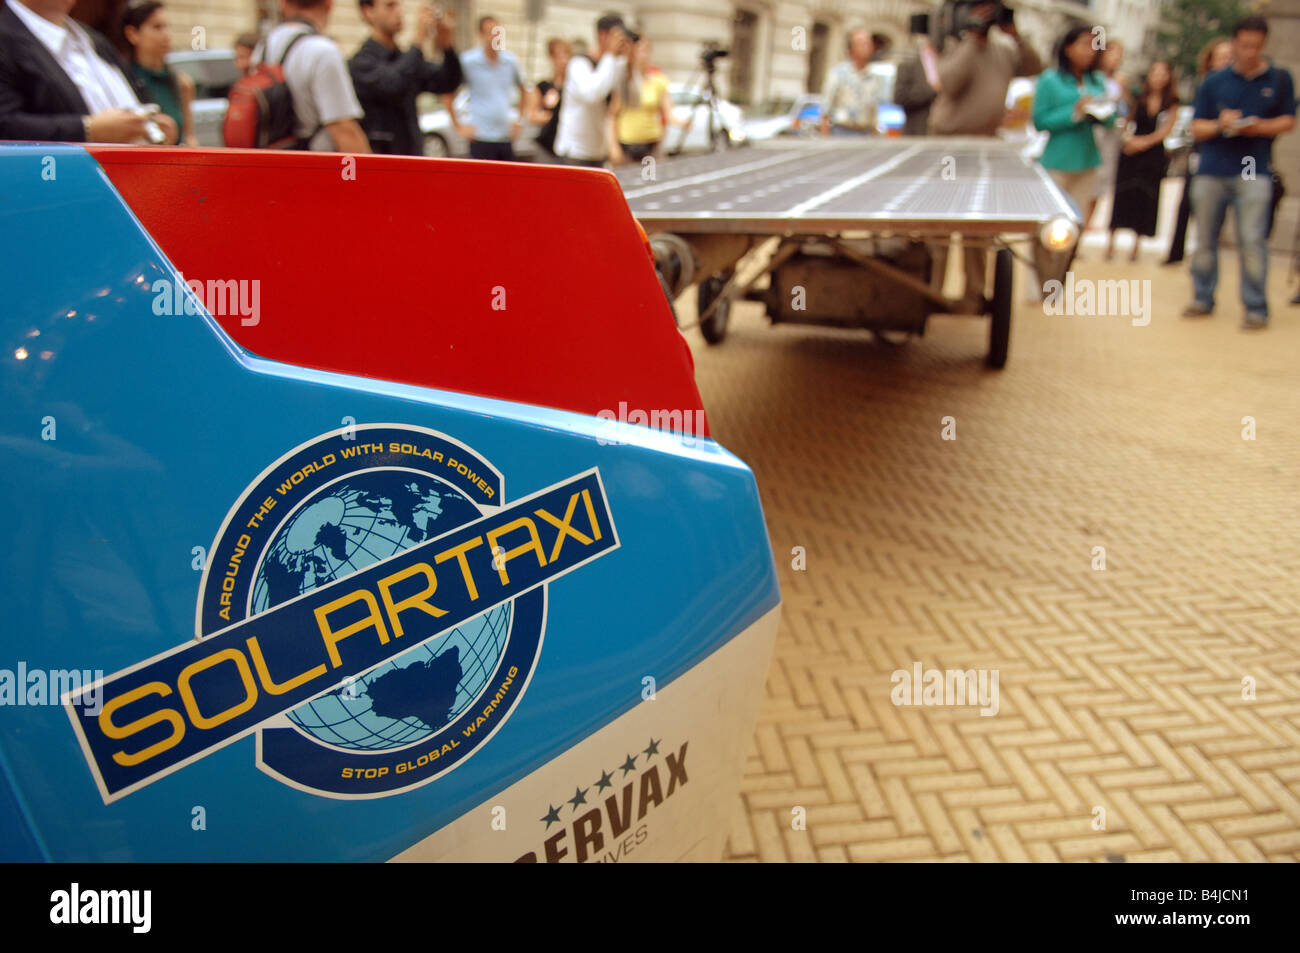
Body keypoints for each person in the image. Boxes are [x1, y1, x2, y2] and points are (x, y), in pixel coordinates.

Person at [1184, 16, 1296, 329]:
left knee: (1252, 239)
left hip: (1252, 167)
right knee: (1205, 237)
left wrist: (1258, 126)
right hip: (1213, 167)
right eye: (1244, 45)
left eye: (1256, 46)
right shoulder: (1214, 81)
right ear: (1234, 43)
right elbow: (1196, 126)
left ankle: (1256, 307)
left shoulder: (1279, 78)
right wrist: (1221, 124)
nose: (1249, 52)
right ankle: (1202, 297)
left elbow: (1289, 120)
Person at [927, 4, 1042, 309]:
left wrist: (1016, 35)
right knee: (937, 224)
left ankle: (973, 293)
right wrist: (973, 40)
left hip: (985, 147)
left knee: (976, 225)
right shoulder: (954, 46)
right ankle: (930, 292)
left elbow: (1035, 67)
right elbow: (949, 83)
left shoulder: (1005, 51)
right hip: (948, 146)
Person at [0, 0, 179, 143]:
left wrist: (154, 124)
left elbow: (137, 95)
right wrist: (86, 130)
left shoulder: (92, 38)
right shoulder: (7, 38)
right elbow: (6, 124)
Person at [1032, 25, 1113, 284]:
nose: (1089, 51)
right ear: (1068, 48)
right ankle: (1039, 281)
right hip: (1057, 162)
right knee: (1048, 226)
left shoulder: (1097, 81)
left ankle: (1058, 282)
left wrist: (1105, 113)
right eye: (1083, 44)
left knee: (1075, 228)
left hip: (1087, 162)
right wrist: (1074, 113)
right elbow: (1040, 120)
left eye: (1093, 45)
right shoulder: (1049, 79)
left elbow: (1111, 120)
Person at [349, 0, 461, 156]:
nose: (399, 12)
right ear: (368, 11)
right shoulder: (362, 62)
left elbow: (447, 82)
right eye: (390, 6)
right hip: (381, 163)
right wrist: (419, 39)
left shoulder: (406, 59)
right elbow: (393, 84)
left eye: (399, 5)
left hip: (412, 158)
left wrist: (447, 45)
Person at [260, 0, 369, 152]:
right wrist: (370, 174)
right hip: (314, 165)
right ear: (329, 5)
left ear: (282, 4)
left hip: (270, 163)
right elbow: (344, 130)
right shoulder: (323, 51)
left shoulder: (264, 46)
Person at [1165, 37, 1233, 265]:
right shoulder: (1205, 86)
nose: (1224, 61)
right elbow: (1195, 124)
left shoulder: (1237, 87)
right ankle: (1176, 253)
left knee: (1212, 212)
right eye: (1220, 57)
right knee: (1186, 204)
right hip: (1201, 154)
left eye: (1228, 57)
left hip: (1227, 158)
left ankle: (1203, 258)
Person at [1106, 60, 1178, 262]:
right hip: (1131, 150)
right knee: (1123, 194)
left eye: (1163, 73)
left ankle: (1135, 247)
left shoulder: (1171, 102)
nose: (1159, 77)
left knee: (1146, 197)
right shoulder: (1138, 97)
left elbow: (1166, 129)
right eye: (1156, 73)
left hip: (1152, 153)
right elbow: (1124, 120)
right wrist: (1129, 140)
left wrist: (1144, 142)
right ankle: (1111, 243)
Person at [553, 12, 629, 167]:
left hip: (598, 153)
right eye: (617, 37)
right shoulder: (578, 64)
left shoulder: (614, 64)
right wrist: (610, 55)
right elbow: (592, 94)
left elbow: (631, 101)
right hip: (575, 153)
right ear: (602, 35)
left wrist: (628, 61)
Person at [447, 14, 526, 161]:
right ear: (482, 35)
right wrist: (458, 126)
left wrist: (519, 121)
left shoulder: (510, 62)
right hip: (481, 137)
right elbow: (448, 92)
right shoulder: (468, 61)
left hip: (504, 136)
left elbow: (524, 90)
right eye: (491, 32)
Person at [120, 0, 195, 146]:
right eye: (157, 27)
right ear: (132, 34)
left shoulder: (181, 82)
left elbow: (189, 137)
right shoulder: (122, 79)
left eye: (167, 27)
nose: (166, 34)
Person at [609, 32, 673, 164]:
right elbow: (612, 115)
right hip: (627, 143)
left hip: (651, 143)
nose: (643, 55)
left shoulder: (658, 80)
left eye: (646, 50)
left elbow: (667, 112)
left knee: (650, 179)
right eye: (640, 50)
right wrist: (613, 147)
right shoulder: (624, 79)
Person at [819, 28, 880, 137]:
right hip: (841, 132)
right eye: (862, 44)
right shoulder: (838, 74)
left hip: (865, 134)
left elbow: (874, 111)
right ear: (851, 48)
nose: (867, 47)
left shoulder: (873, 77)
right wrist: (824, 137)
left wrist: (875, 134)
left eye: (869, 43)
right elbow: (825, 109)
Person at [1094, 40, 1127, 215]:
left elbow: (1125, 112)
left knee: (1101, 182)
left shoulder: (1119, 81)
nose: (1116, 59)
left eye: (1119, 56)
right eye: (1113, 53)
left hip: (1109, 137)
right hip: (1092, 134)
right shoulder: (1091, 78)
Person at [527, 37, 570, 160]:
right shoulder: (543, 86)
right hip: (546, 145)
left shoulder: (573, 88)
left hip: (567, 148)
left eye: (566, 55)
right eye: (559, 56)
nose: (564, 61)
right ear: (551, 58)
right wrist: (547, 112)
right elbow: (532, 115)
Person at [894, 27, 939, 136]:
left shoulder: (949, 62)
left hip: (946, 135)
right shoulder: (908, 66)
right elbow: (900, 97)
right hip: (917, 132)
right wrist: (931, 90)